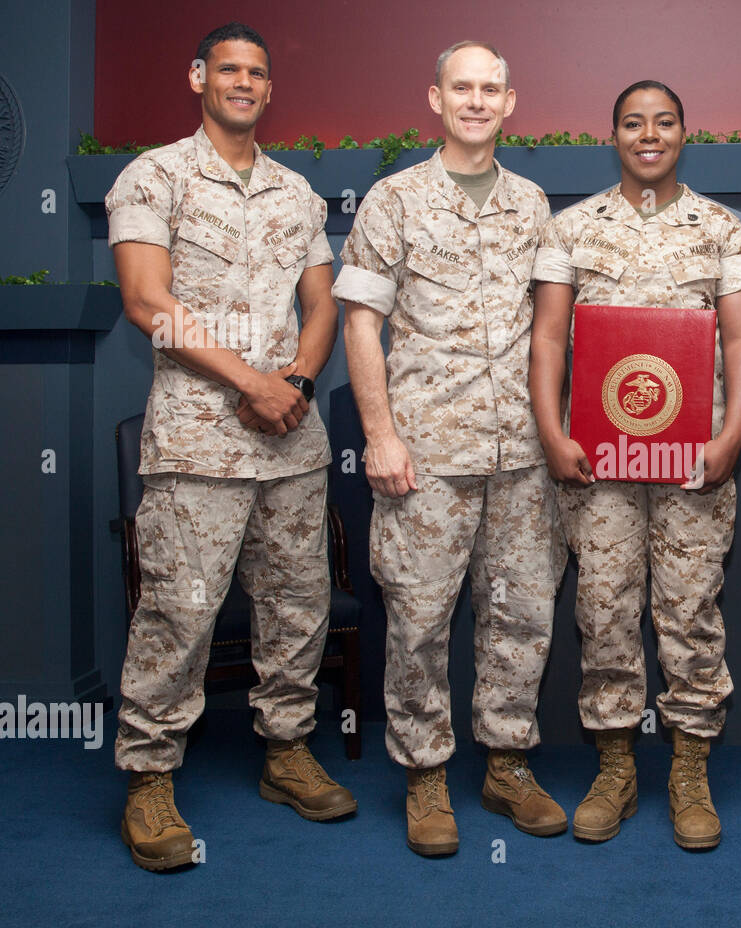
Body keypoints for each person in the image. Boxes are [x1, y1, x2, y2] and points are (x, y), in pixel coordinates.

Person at [108, 22, 354, 871]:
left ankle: (286, 752)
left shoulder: (297, 193)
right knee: (177, 613)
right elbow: (147, 301)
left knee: (297, 608)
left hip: (291, 441)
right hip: (197, 441)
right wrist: (248, 382)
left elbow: (321, 305)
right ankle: (149, 777)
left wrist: (293, 380)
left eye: (256, 73)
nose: (243, 82)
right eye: (228, 69)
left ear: (268, 89)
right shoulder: (155, 175)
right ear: (198, 77)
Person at [332, 41, 565, 857]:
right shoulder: (394, 200)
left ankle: (506, 765)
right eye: (460, 87)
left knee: (521, 617)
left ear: (510, 102)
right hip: (423, 455)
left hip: (523, 459)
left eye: (490, 88)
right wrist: (381, 436)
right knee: (420, 621)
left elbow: (551, 329)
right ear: (435, 98)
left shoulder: (534, 203)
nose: (475, 100)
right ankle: (425, 775)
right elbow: (361, 322)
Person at [530, 81, 741, 850]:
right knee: (603, 609)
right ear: (615, 135)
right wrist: (551, 431)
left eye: (664, 122)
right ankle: (616, 764)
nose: (649, 134)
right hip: (598, 463)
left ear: (683, 134)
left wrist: (733, 434)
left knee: (690, 611)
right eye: (634, 122)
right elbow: (549, 340)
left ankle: (689, 769)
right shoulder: (571, 228)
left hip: (694, 459)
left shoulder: (722, 230)